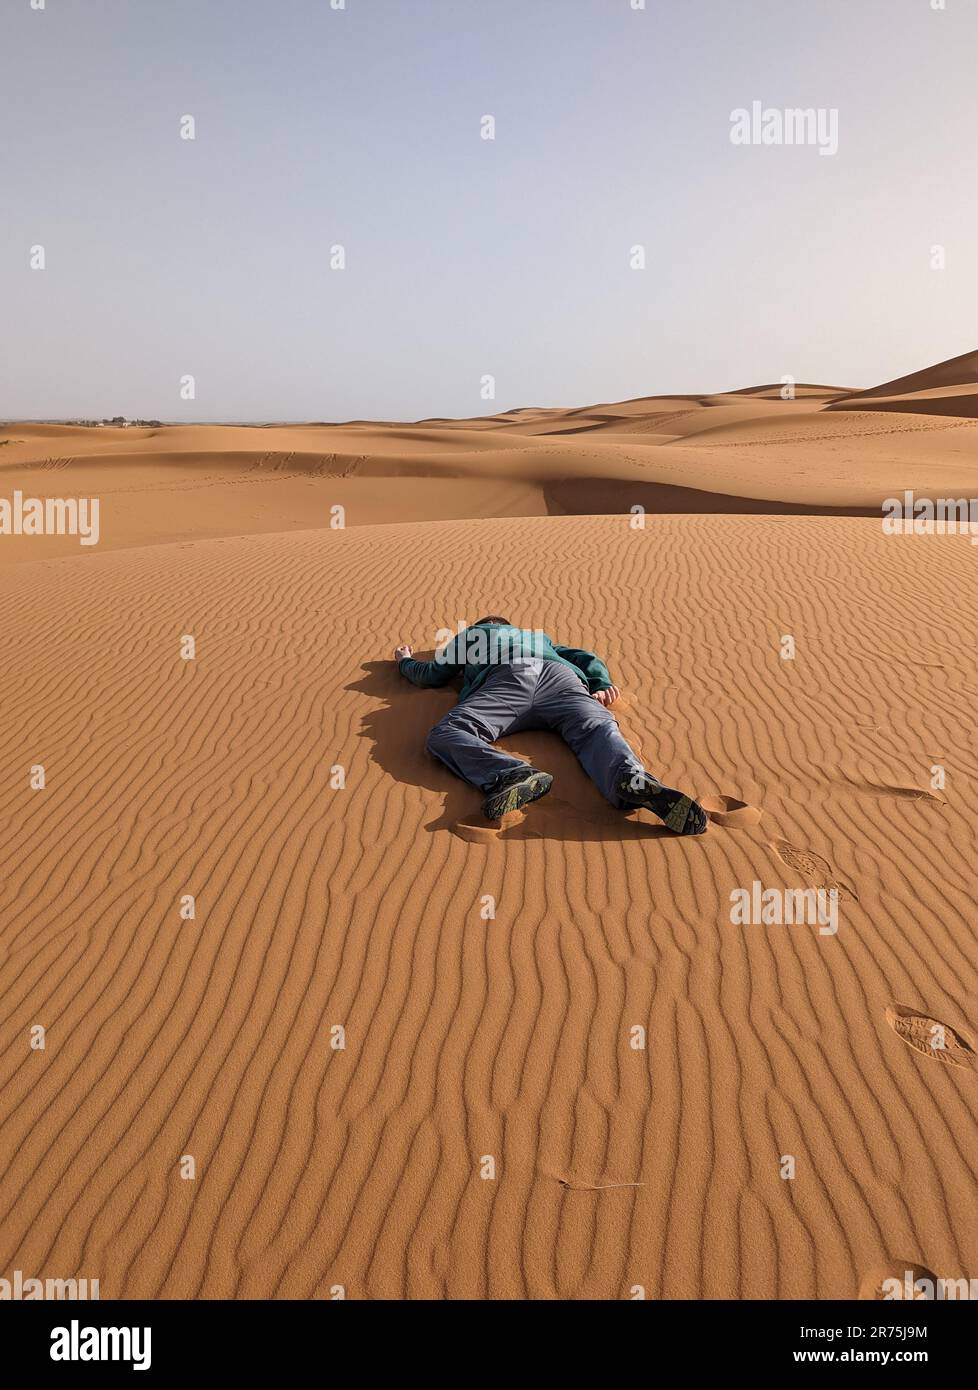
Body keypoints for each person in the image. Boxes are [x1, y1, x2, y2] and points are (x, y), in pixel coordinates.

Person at [394, 616, 707, 833]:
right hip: (560, 678)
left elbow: (432, 675)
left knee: (448, 733)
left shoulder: (476, 635)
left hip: (510, 678)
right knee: (597, 729)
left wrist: (404, 661)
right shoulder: (538, 637)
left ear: (485, 625)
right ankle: (630, 779)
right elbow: (586, 656)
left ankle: (509, 774)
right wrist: (600, 684)